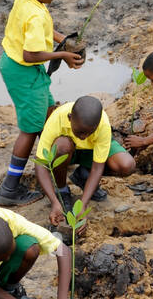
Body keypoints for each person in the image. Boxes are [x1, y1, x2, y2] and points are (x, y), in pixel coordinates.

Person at [0, 0, 83, 206]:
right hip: (24, 69)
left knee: (47, 114)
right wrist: (63, 55)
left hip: (20, 67)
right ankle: (9, 189)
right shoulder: (34, 13)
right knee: (30, 129)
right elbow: (30, 54)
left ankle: (57, 162)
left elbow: (43, 29)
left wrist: (63, 40)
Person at [35, 96, 135, 225]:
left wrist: (83, 203)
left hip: (92, 152)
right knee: (62, 145)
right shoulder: (57, 118)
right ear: (70, 118)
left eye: (89, 132)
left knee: (127, 165)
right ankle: (62, 190)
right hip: (68, 152)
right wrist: (54, 201)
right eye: (80, 132)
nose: (83, 137)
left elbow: (97, 167)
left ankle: (83, 175)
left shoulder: (102, 124)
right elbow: (40, 163)